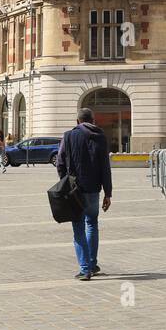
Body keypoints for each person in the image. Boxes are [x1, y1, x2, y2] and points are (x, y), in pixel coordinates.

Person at [56, 108, 113, 281]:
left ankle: (85, 269)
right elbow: (105, 167)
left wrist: (65, 181)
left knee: (78, 227)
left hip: (75, 190)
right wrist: (108, 193)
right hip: (94, 189)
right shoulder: (101, 137)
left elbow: (60, 162)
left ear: (77, 121)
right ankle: (92, 264)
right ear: (93, 120)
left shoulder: (69, 136)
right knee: (92, 224)